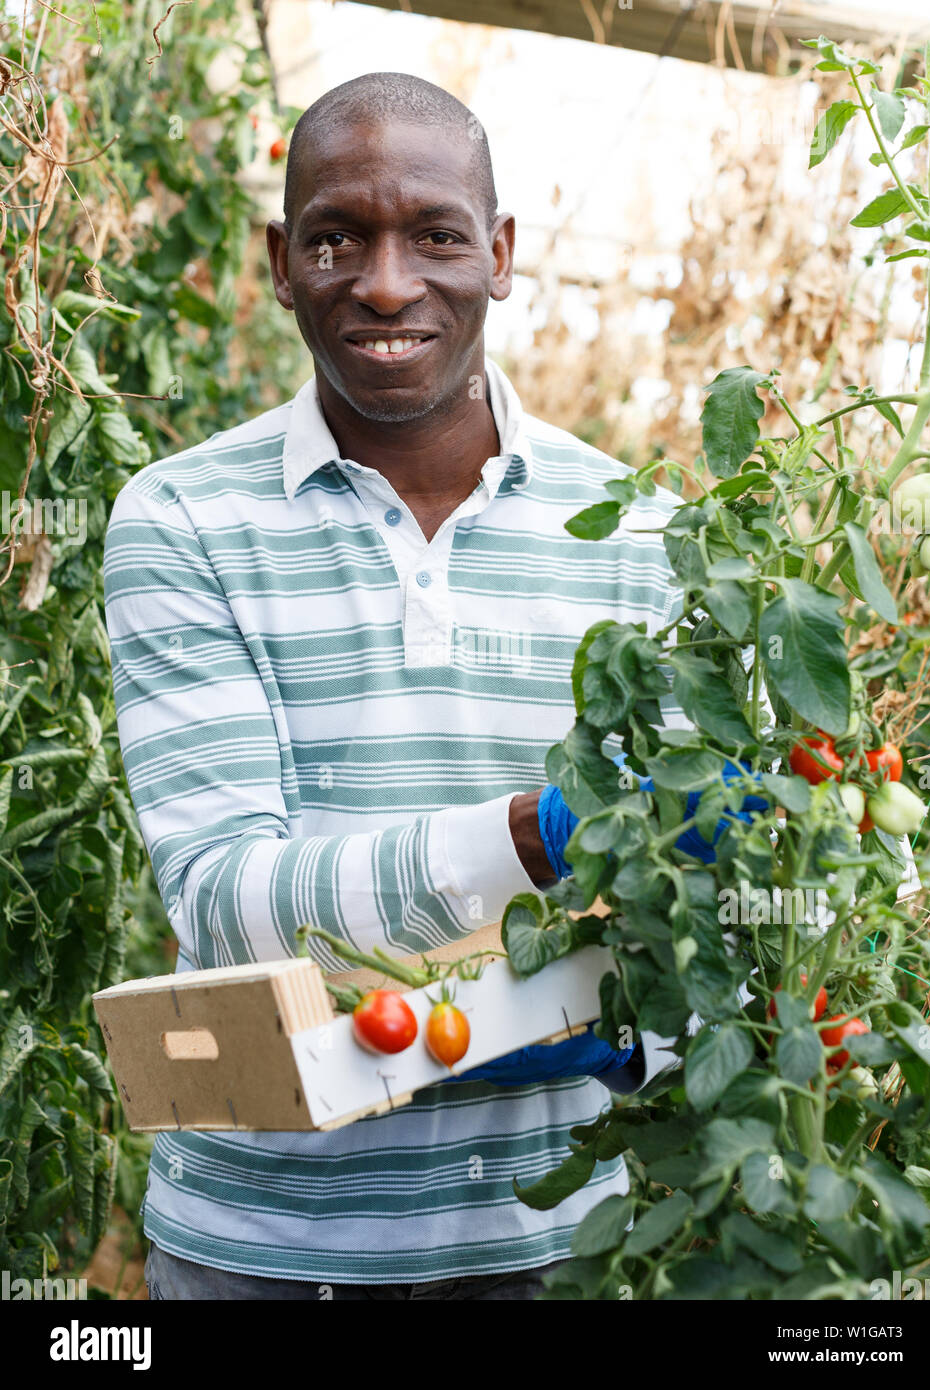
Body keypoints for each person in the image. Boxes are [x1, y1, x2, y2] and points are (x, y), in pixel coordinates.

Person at [104, 72, 686, 1301]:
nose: (382, 283)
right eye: (335, 237)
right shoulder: (180, 520)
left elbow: (691, 903)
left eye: (433, 233)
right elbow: (227, 905)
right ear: (277, 259)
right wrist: (534, 834)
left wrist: (667, 1011)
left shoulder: (640, 531)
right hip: (260, 1251)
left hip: (553, 1243)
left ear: (503, 254)